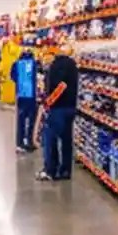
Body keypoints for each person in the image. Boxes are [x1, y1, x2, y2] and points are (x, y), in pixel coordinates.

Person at [38, 44, 78, 181]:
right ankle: (66, 171)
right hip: (71, 107)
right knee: (67, 140)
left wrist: (48, 103)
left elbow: (58, 87)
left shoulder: (54, 67)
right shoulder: (73, 65)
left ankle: (50, 170)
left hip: (57, 108)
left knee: (50, 139)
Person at [10, 48, 38, 152]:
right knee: (31, 121)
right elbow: (38, 77)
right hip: (32, 96)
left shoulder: (16, 64)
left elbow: (12, 77)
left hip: (21, 95)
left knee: (20, 120)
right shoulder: (34, 64)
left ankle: (19, 143)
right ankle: (29, 142)